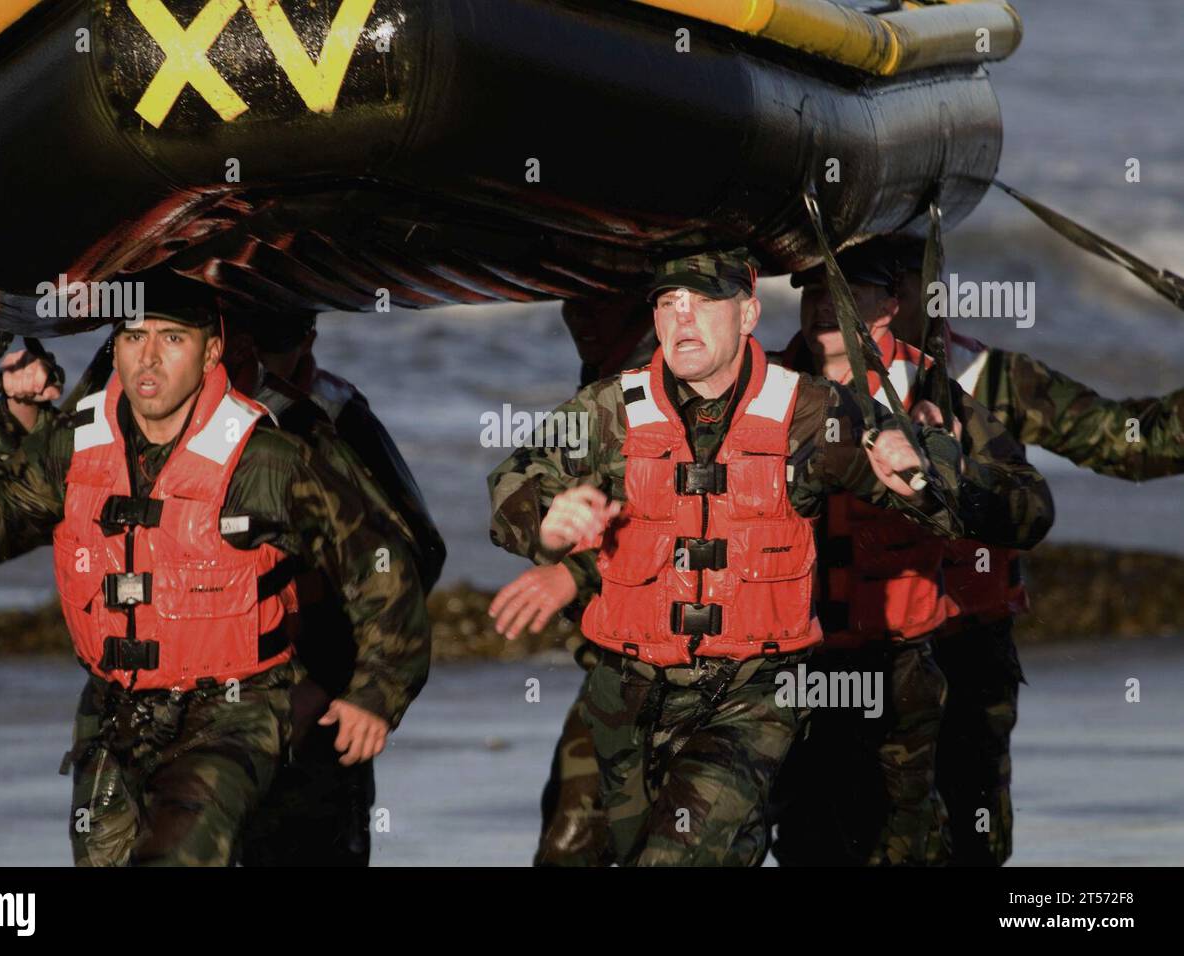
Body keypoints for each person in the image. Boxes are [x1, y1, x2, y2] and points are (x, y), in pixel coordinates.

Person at [487, 250, 1050, 866]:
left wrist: (923, 468)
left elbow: (972, 500)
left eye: (702, 304)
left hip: (778, 683)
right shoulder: (612, 407)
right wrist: (548, 526)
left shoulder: (818, 411)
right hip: (633, 690)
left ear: (749, 313)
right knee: (726, 846)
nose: (683, 320)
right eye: (669, 305)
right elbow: (522, 480)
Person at [0, 280, 430, 866]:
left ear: (211, 352)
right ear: (114, 347)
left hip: (232, 713)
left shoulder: (269, 459)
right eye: (134, 336)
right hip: (113, 716)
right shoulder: (75, 446)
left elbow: (381, 564)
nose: (150, 357)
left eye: (171, 338)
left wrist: (375, 690)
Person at [880, 238, 1184, 866]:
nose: (880, 308)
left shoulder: (989, 376)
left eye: (900, 288)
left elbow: (1133, 444)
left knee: (972, 841)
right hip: (847, 651)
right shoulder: (799, 379)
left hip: (966, 645)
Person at [769, 246, 1052, 866]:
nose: (823, 306)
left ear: (888, 308)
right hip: (793, 664)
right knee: (808, 843)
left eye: (844, 292)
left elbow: (1031, 507)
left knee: (912, 843)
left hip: (896, 659)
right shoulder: (762, 387)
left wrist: (943, 469)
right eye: (812, 291)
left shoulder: (931, 393)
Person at [217, 304, 446, 866]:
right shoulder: (145, 413)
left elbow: (414, 556)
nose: (254, 355)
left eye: (275, 334)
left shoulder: (331, 416)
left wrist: (346, 684)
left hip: (312, 703)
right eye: (236, 335)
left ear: (307, 338)